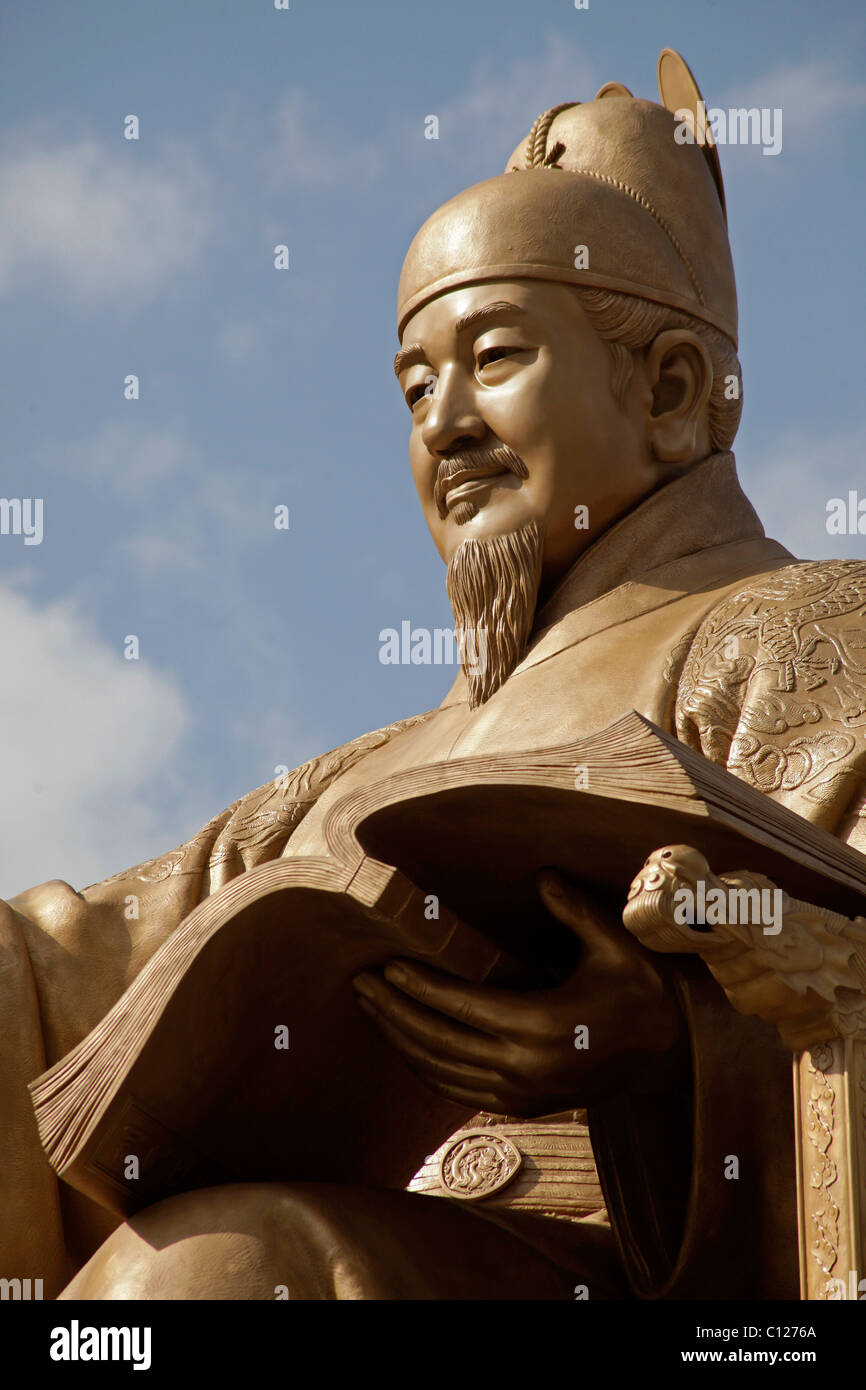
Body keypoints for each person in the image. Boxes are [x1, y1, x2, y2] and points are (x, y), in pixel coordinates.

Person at [4, 52, 862, 1300]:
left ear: (670, 391)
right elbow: (83, 957)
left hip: (634, 1277)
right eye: (415, 386)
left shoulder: (802, 635)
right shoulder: (353, 776)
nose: (442, 426)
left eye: (495, 357)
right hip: (373, 1233)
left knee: (221, 1270)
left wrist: (671, 1040)